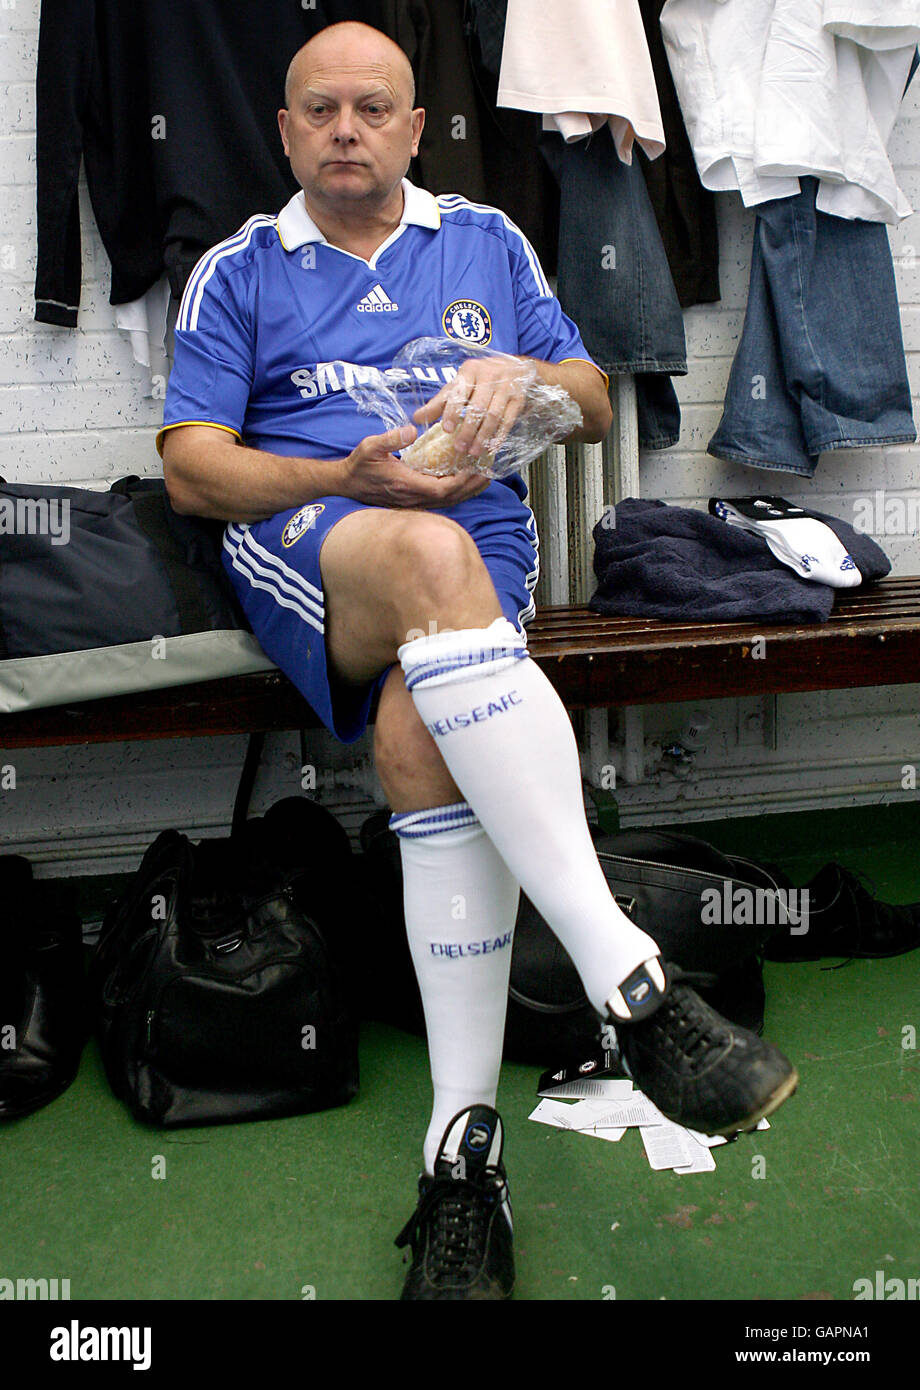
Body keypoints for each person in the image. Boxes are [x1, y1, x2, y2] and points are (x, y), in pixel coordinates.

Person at [159, 21, 797, 1301]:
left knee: (414, 735)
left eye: (372, 108)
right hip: (317, 536)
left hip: (478, 542)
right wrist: (341, 472)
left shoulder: (488, 243)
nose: (347, 127)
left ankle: (464, 1162)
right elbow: (190, 466)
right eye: (321, 109)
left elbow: (595, 401)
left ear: (412, 128)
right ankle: (629, 976)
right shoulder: (237, 271)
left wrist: (529, 382)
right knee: (426, 565)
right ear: (287, 133)